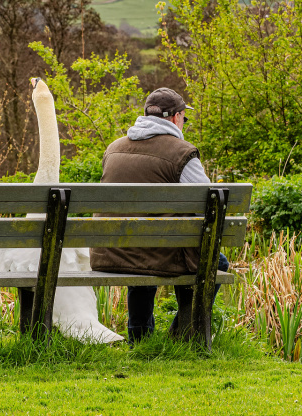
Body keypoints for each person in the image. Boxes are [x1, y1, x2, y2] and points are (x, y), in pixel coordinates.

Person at [90, 87, 229, 344]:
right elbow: (210, 206)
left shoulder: (113, 149)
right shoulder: (182, 152)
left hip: (109, 250)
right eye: (184, 118)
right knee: (216, 261)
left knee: (142, 249)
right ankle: (182, 334)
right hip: (157, 252)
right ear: (176, 117)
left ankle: (140, 339)